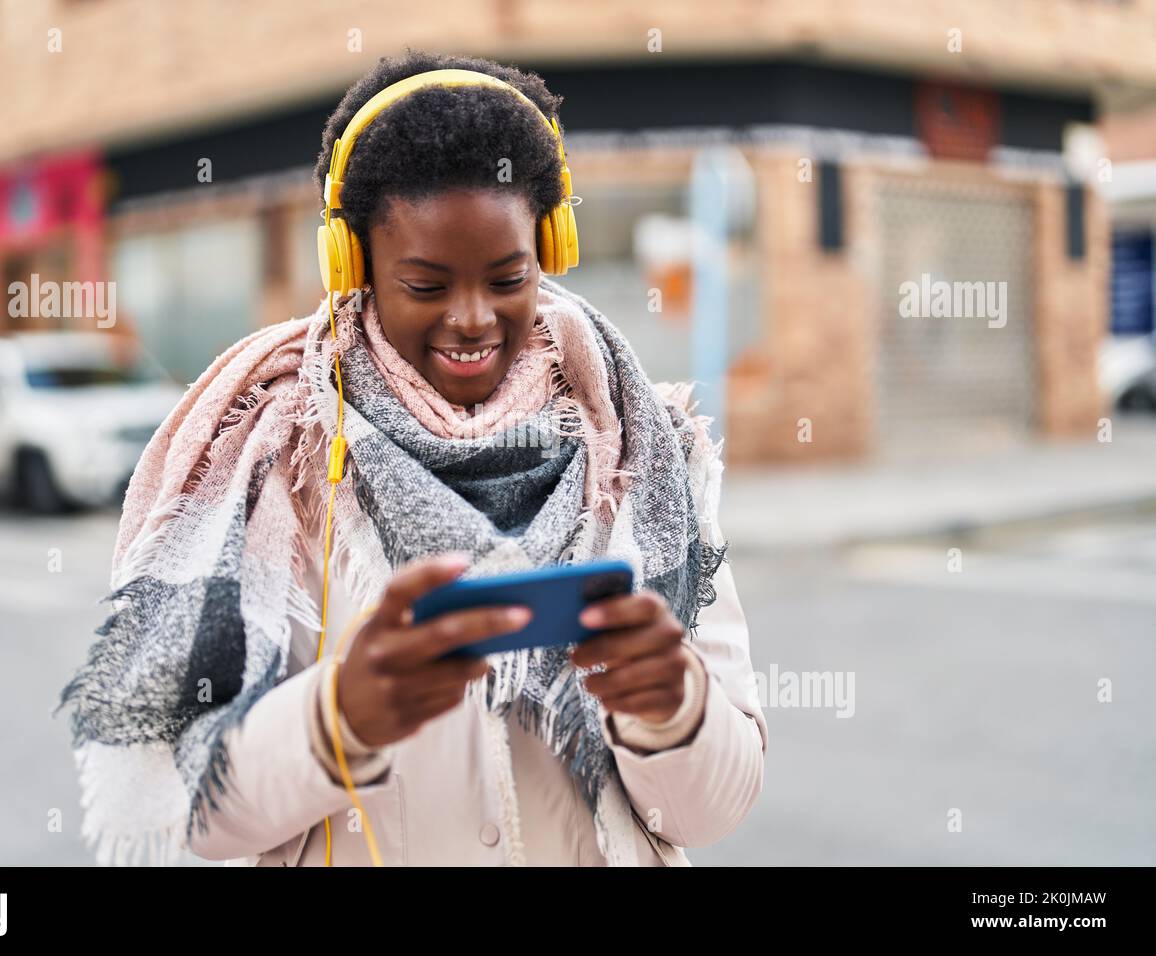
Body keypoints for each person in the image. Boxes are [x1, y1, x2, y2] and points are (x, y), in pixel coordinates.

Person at [55, 48, 768, 868]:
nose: (472, 319)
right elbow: (195, 814)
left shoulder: (638, 447)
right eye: (426, 286)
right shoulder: (274, 449)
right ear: (351, 266)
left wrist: (673, 713)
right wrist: (339, 719)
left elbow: (712, 813)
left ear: (549, 247)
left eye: (507, 279)